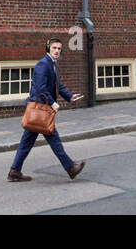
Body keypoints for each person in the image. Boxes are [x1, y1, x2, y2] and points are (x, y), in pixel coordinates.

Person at [7, 39, 85, 182]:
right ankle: (70, 168)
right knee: (53, 139)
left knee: (26, 143)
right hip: (41, 111)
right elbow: (40, 88)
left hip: (40, 110)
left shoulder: (53, 64)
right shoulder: (43, 64)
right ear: (48, 48)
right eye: (54, 48)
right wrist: (53, 103)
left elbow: (58, 86)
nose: (57, 51)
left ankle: (14, 171)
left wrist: (69, 96)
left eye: (59, 48)